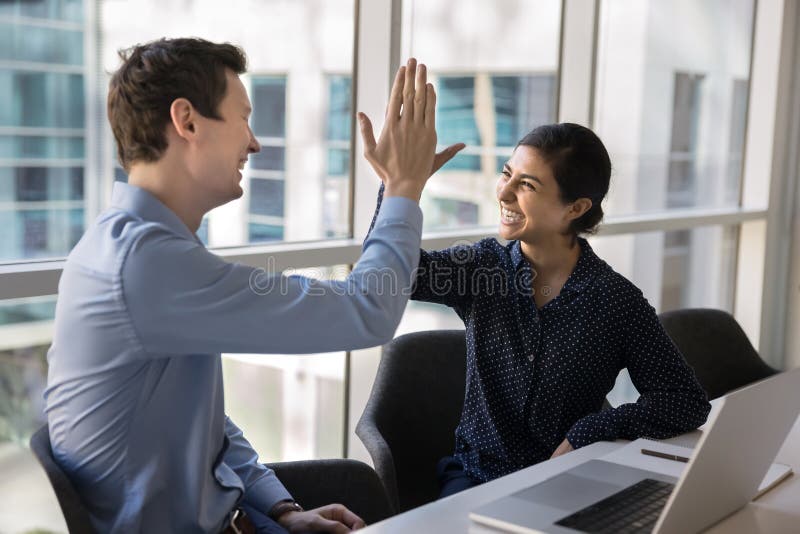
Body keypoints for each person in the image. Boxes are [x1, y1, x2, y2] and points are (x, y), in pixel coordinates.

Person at [44, 37, 460, 533]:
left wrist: (282, 510)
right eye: (243, 117)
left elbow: (200, 422)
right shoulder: (144, 266)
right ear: (187, 121)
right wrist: (404, 188)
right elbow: (368, 311)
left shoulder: (132, 248)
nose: (255, 142)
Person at [358, 121, 712, 498]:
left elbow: (686, 401)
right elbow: (390, 275)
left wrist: (590, 431)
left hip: (568, 484)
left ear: (575, 208)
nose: (504, 193)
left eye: (527, 185)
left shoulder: (615, 300)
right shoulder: (483, 268)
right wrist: (399, 189)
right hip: (476, 480)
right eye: (507, 175)